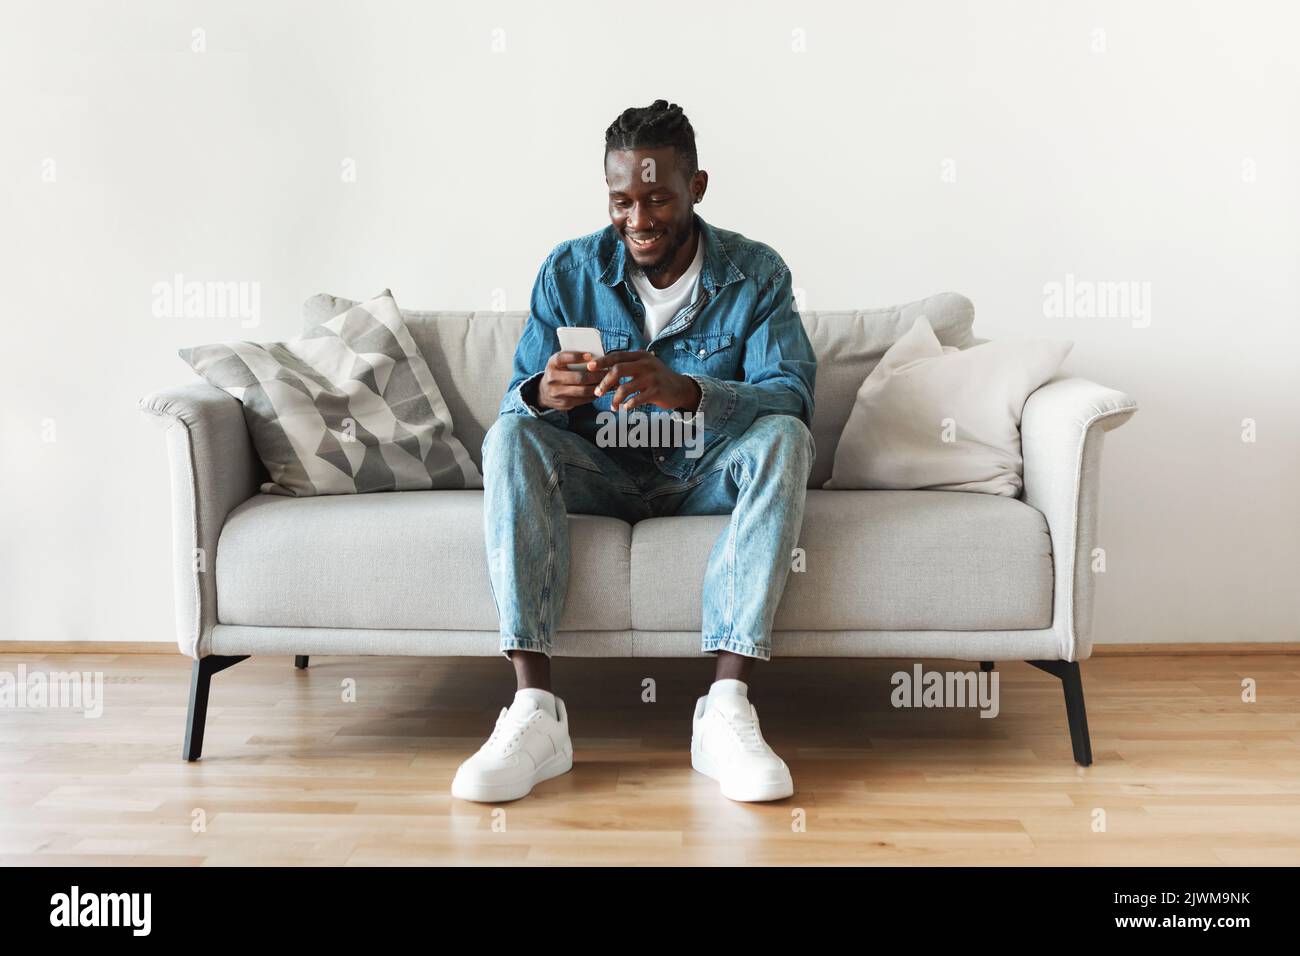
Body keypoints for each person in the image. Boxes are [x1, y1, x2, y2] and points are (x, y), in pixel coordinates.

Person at [452, 99, 817, 804]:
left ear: (697, 188)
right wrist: (539, 392)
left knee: (786, 438)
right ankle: (534, 712)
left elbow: (792, 395)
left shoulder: (758, 273)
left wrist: (689, 392)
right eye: (623, 201)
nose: (639, 221)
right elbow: (513, 408)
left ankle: (727, 709)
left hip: (703, 473)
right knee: (511, 435)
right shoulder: (568, 271)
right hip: (599, 469)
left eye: (658, 199)